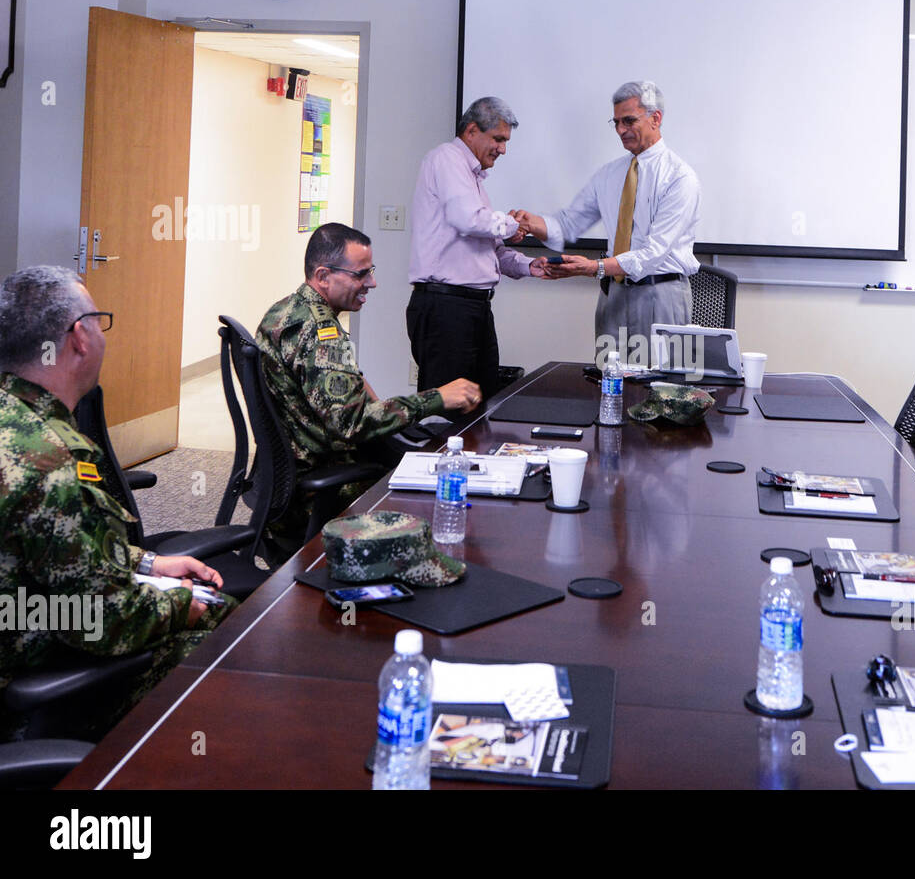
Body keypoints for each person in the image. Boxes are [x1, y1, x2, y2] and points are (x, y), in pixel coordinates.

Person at [0, 265, 232, 738]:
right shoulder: (47, 459)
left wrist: (148, 564)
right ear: (80, 338)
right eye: (98, 321)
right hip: (29, 678)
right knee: (222, 631)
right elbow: (96, 620)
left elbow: (54, 550)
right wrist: (182, 606)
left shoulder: (15, 419)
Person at [258, 222, 479, 540]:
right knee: (439, 502)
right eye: (360, 274)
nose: (371, 283)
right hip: (320, 483)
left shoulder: (287, 312)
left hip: (290, 474)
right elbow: (352, 423)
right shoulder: (321, 334)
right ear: (323, 276)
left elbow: (350, 392)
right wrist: (436, 398)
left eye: (369, 271)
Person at [511, 81, 700, 359]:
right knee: (608, 385)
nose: (621, 130)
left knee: (662, 390)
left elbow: (653, 253)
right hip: (613, 295)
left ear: (655, 119)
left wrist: (594, 267)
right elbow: (568, 224)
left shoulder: (679, 177)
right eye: (616, 122)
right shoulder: (610, 174)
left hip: (661, 295)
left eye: (629, 120)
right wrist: (530, 223)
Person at [407, 96, 552, 399]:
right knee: (447, 412)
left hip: (474, 307)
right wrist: (518, 225)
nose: (503, 149)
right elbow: (470, 220)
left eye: (506, 141)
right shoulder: (446, 158)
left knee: (481, 405)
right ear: (472, 130)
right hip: (446, 309)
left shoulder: (474, 181)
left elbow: (491, 248)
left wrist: (529, 265)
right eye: (498, 139)